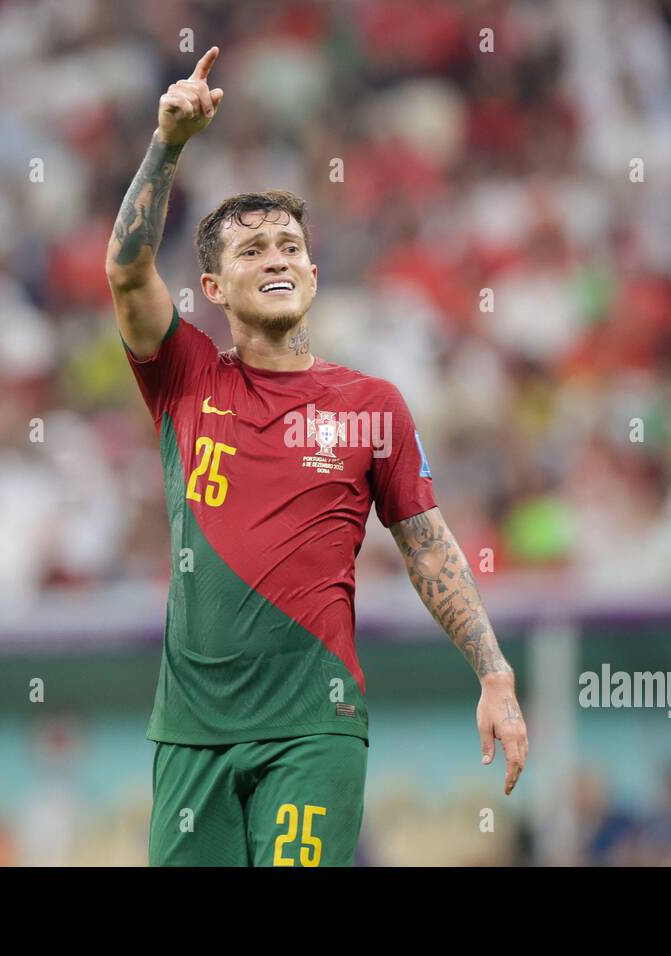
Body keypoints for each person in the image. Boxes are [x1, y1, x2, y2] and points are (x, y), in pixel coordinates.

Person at [106, 46, 528, 867]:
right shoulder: (185, 378)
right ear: (216, 289)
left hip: (313, 727)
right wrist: (168, 144)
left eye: (290, 246)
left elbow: (429, 548)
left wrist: (496, 674)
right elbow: (125, 270)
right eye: (252, 249)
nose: (276, 258)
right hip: (191, 734)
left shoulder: (371, 406)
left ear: (313, 273)